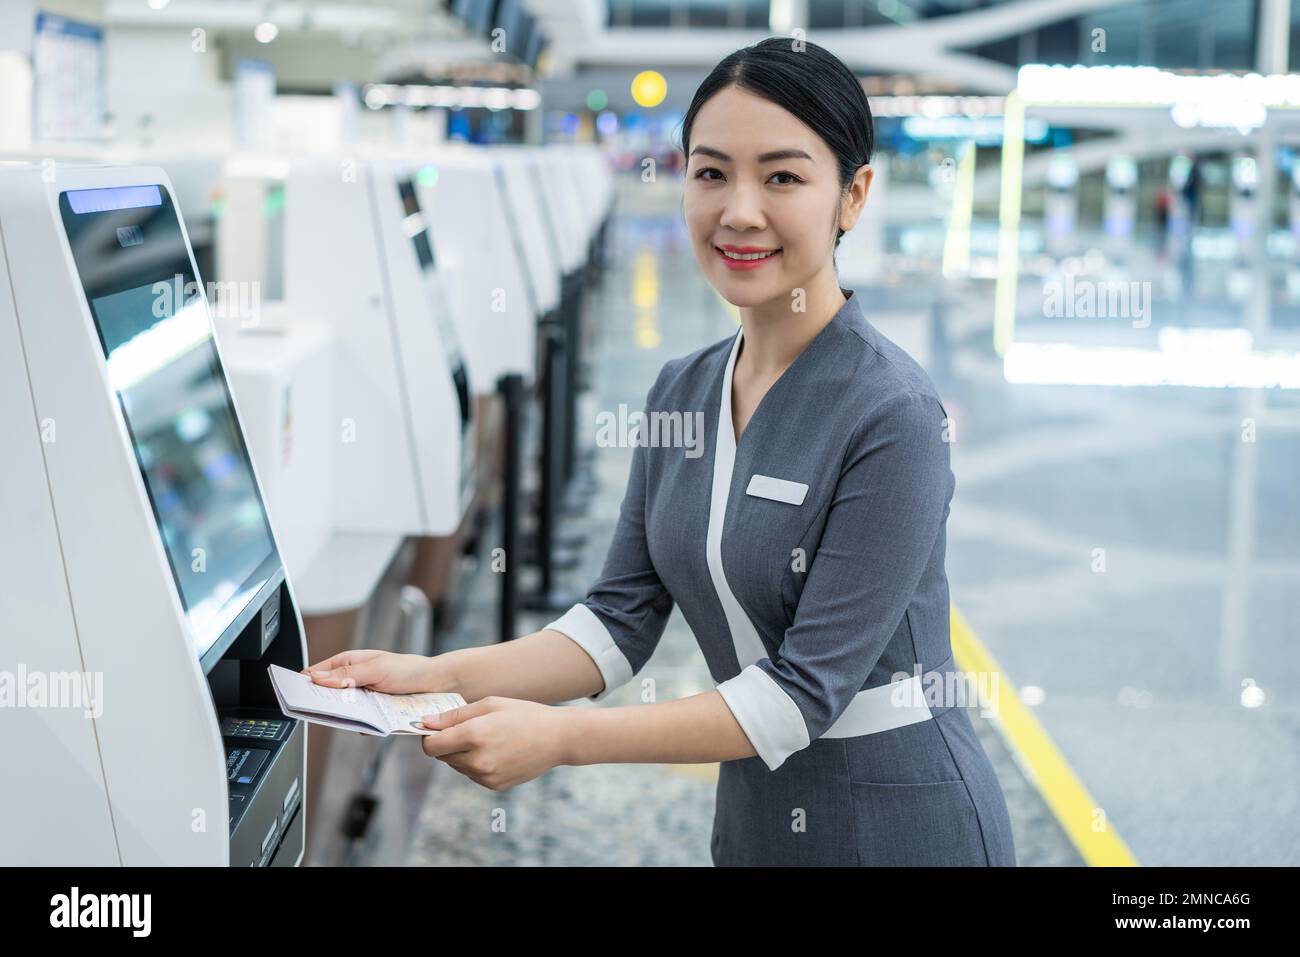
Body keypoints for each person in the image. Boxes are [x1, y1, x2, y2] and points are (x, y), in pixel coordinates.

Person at [306, 36, 1016, 867]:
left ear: (853, 195)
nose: (739, 211)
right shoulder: (684, 389)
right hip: (757, 814)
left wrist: (564, 738)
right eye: (711, 173)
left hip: (902, 822)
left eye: (782, 176)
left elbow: (801, 695)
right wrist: (437, 674)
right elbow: (617, 621)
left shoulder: (892, 414)